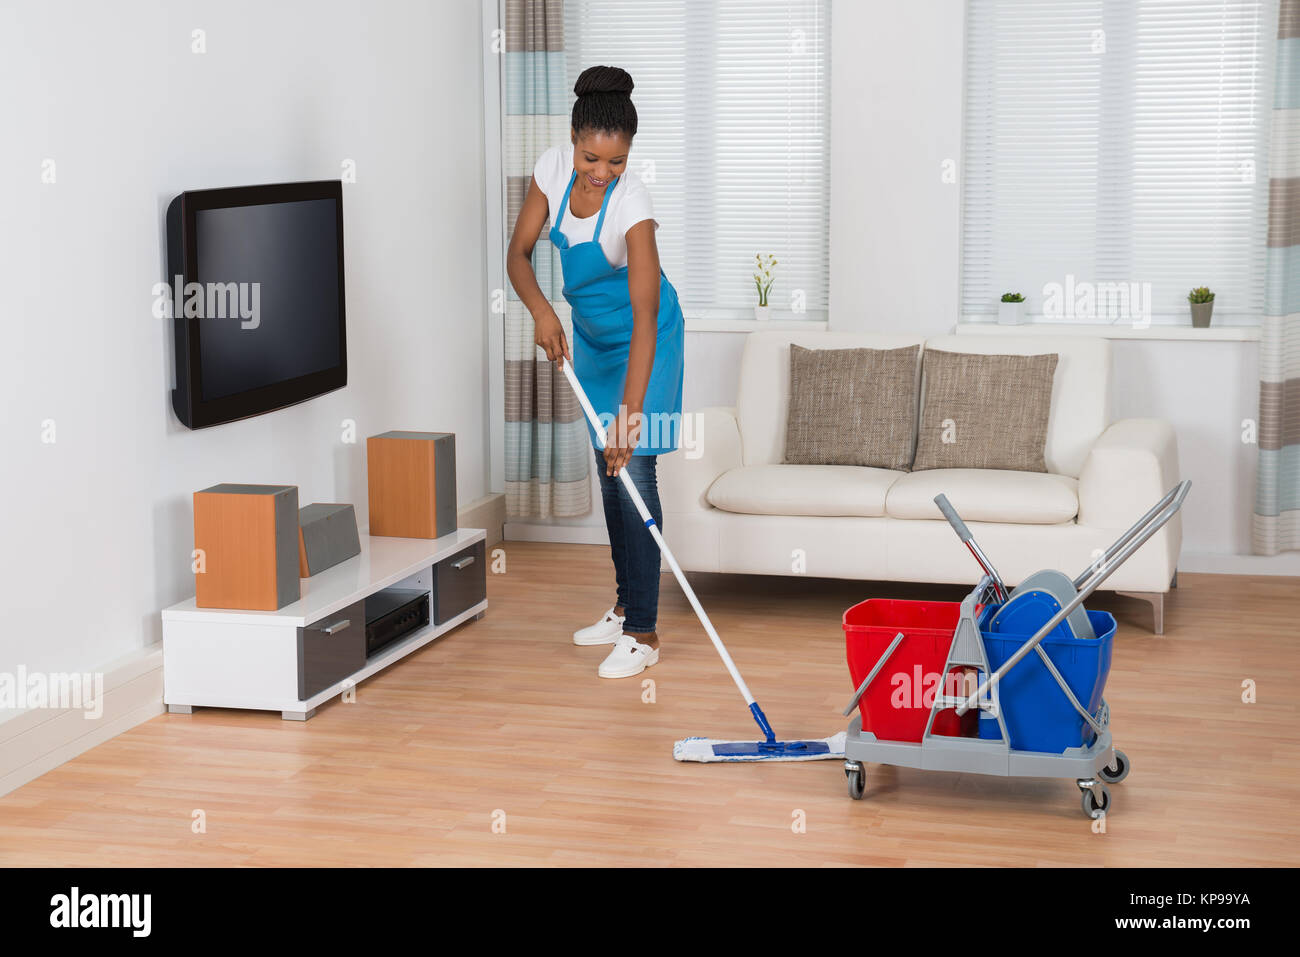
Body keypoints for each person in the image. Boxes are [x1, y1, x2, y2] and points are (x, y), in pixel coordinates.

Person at [506, 64, 685, 679]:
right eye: (591, 158)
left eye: (616, 162)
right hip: (588, 338)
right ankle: (623, 605)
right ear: (574, 139)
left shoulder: (633, 203)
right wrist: (541, 312)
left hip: (647, 341)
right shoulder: (552, 170)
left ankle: (644, 633)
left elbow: (643, 312)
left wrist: (631, 413)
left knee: (631, 465)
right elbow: (518, 254)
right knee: (609, 478)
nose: (601, 173)